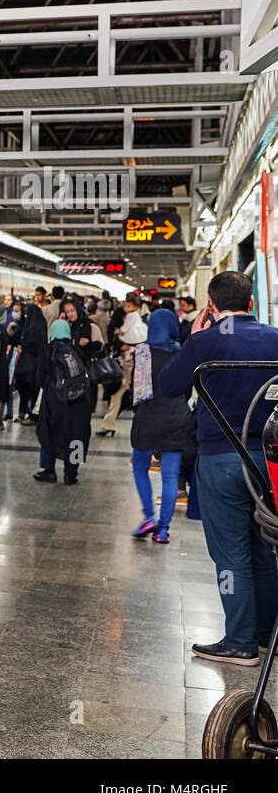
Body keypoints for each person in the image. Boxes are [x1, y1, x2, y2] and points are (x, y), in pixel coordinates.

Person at [159, 271, 278, 665]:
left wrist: (193, 340)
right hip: (269, 460)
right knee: (264, 548)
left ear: (210, 306)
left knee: (231, 553)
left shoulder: (204, 342)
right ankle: (266, 636)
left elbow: (168, 387)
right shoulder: (275, 339)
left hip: (221, 458)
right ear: (253, 303)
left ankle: (240, 642)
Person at [129, 308, 193, 545]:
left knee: (140, 468)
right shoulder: (182, 354)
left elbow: (136, 390)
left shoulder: (143, 353)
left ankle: (149, 517)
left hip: (147, 418)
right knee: (169, 476)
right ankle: (163, 530)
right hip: (176, 419)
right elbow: (187, 390)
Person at [33, 319, 91, 485]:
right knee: (77, 435)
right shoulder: (76, 351)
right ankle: (71, 474)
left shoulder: (48, 351)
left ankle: (48, 470)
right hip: (80, 402)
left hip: (55, 400)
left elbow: (40, 377)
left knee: (48, 432)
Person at [98, 292, 148, 436]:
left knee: (120, 392)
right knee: (123, 392)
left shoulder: (130, 318)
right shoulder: (139, 320)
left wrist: (125, 344)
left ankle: (109, 424)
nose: (126, 308)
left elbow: (123, 334)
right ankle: (109, 424)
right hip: (132, 361)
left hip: (129, 361)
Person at [14, 302, 47, 423]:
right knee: (30, 389)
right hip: (32, 362)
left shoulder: (33, 328)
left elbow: (30, 344)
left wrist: (23, 343)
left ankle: (32, 415)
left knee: (31, 388)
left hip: (31, 363)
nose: (25, 316)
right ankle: (27, 413)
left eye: (27, 314)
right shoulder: (38, 325)